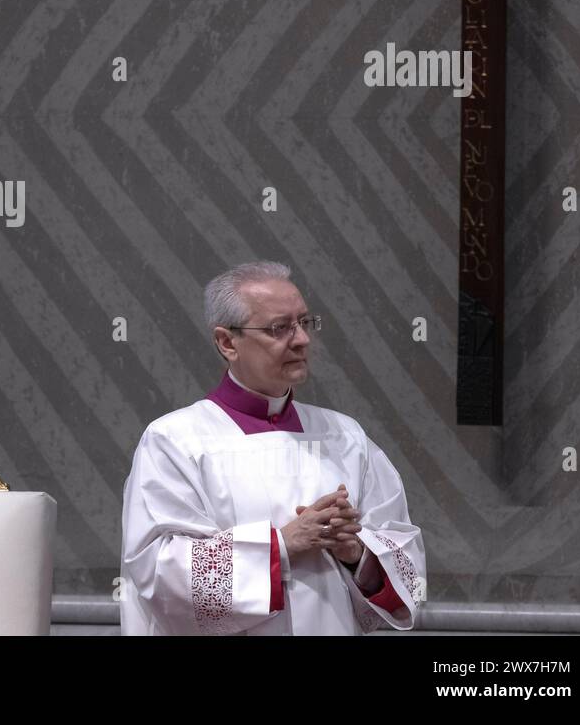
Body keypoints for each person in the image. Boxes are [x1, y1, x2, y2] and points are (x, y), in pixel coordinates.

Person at [121, 261, 425, 635]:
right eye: (279, 328)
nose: (301, 340)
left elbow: (406, 568)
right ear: (227, 342)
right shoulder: (175, 441)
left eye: (305, 322)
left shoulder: (345, 437)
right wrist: (281, 544)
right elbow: (158, 575)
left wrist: (356, 554)